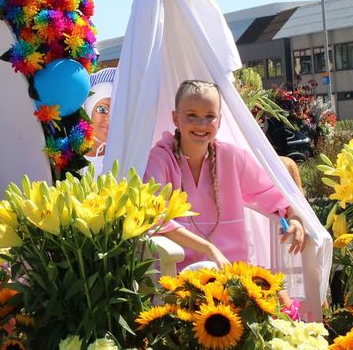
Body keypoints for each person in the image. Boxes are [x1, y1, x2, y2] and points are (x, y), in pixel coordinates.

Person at [144, 80, 307, 271]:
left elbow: (277, 195)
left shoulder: (232, 157)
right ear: (175, 118)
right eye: (191, 116)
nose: (201, 124)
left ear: (219, 120)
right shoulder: (159, 160)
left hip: (233, 274)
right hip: (178, 278)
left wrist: (295, 218)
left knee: (282, 297)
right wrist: (209, 248)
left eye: (209, 116)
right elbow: (153, 216)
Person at [82, 68, 117, 174]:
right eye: (102, 110)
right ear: (87, 112)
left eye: (116, 112)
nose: (109, 119)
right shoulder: (69, 155)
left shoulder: (121, 160)